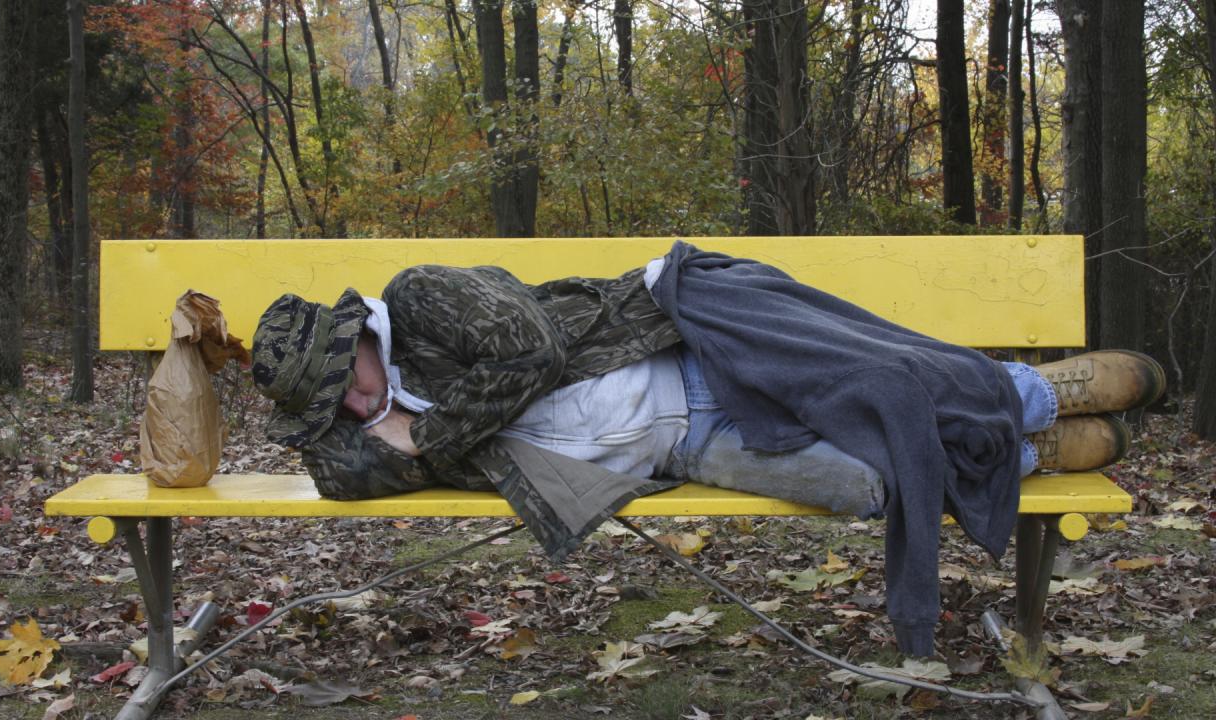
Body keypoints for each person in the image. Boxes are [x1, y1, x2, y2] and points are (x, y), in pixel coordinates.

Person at [250, 242, 1164, 656]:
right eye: (335, 407)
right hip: (684, 445)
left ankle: (1041, 394)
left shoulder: (419, 298)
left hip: (693, 338)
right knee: (863, 485)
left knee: (887, 385)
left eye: (351, 383)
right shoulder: (361, 425)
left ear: (357, 336)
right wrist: (366, 427)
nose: (356, 405)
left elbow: (528, 344)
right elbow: (339, 482)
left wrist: (433, 433)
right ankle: (1037, 455)